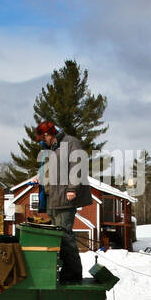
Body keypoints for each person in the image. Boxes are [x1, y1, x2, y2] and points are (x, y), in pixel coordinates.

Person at [35, 120, 91, 283]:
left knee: (65, 238)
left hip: (65, 199)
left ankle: (73, 275)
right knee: (56, 239)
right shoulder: (52, 149)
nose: (41, 142)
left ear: (48, 134)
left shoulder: (70, 142)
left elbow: (77, 166)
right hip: (53, 199)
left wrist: (72, 188)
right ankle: (62, 272)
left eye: (42, 139)